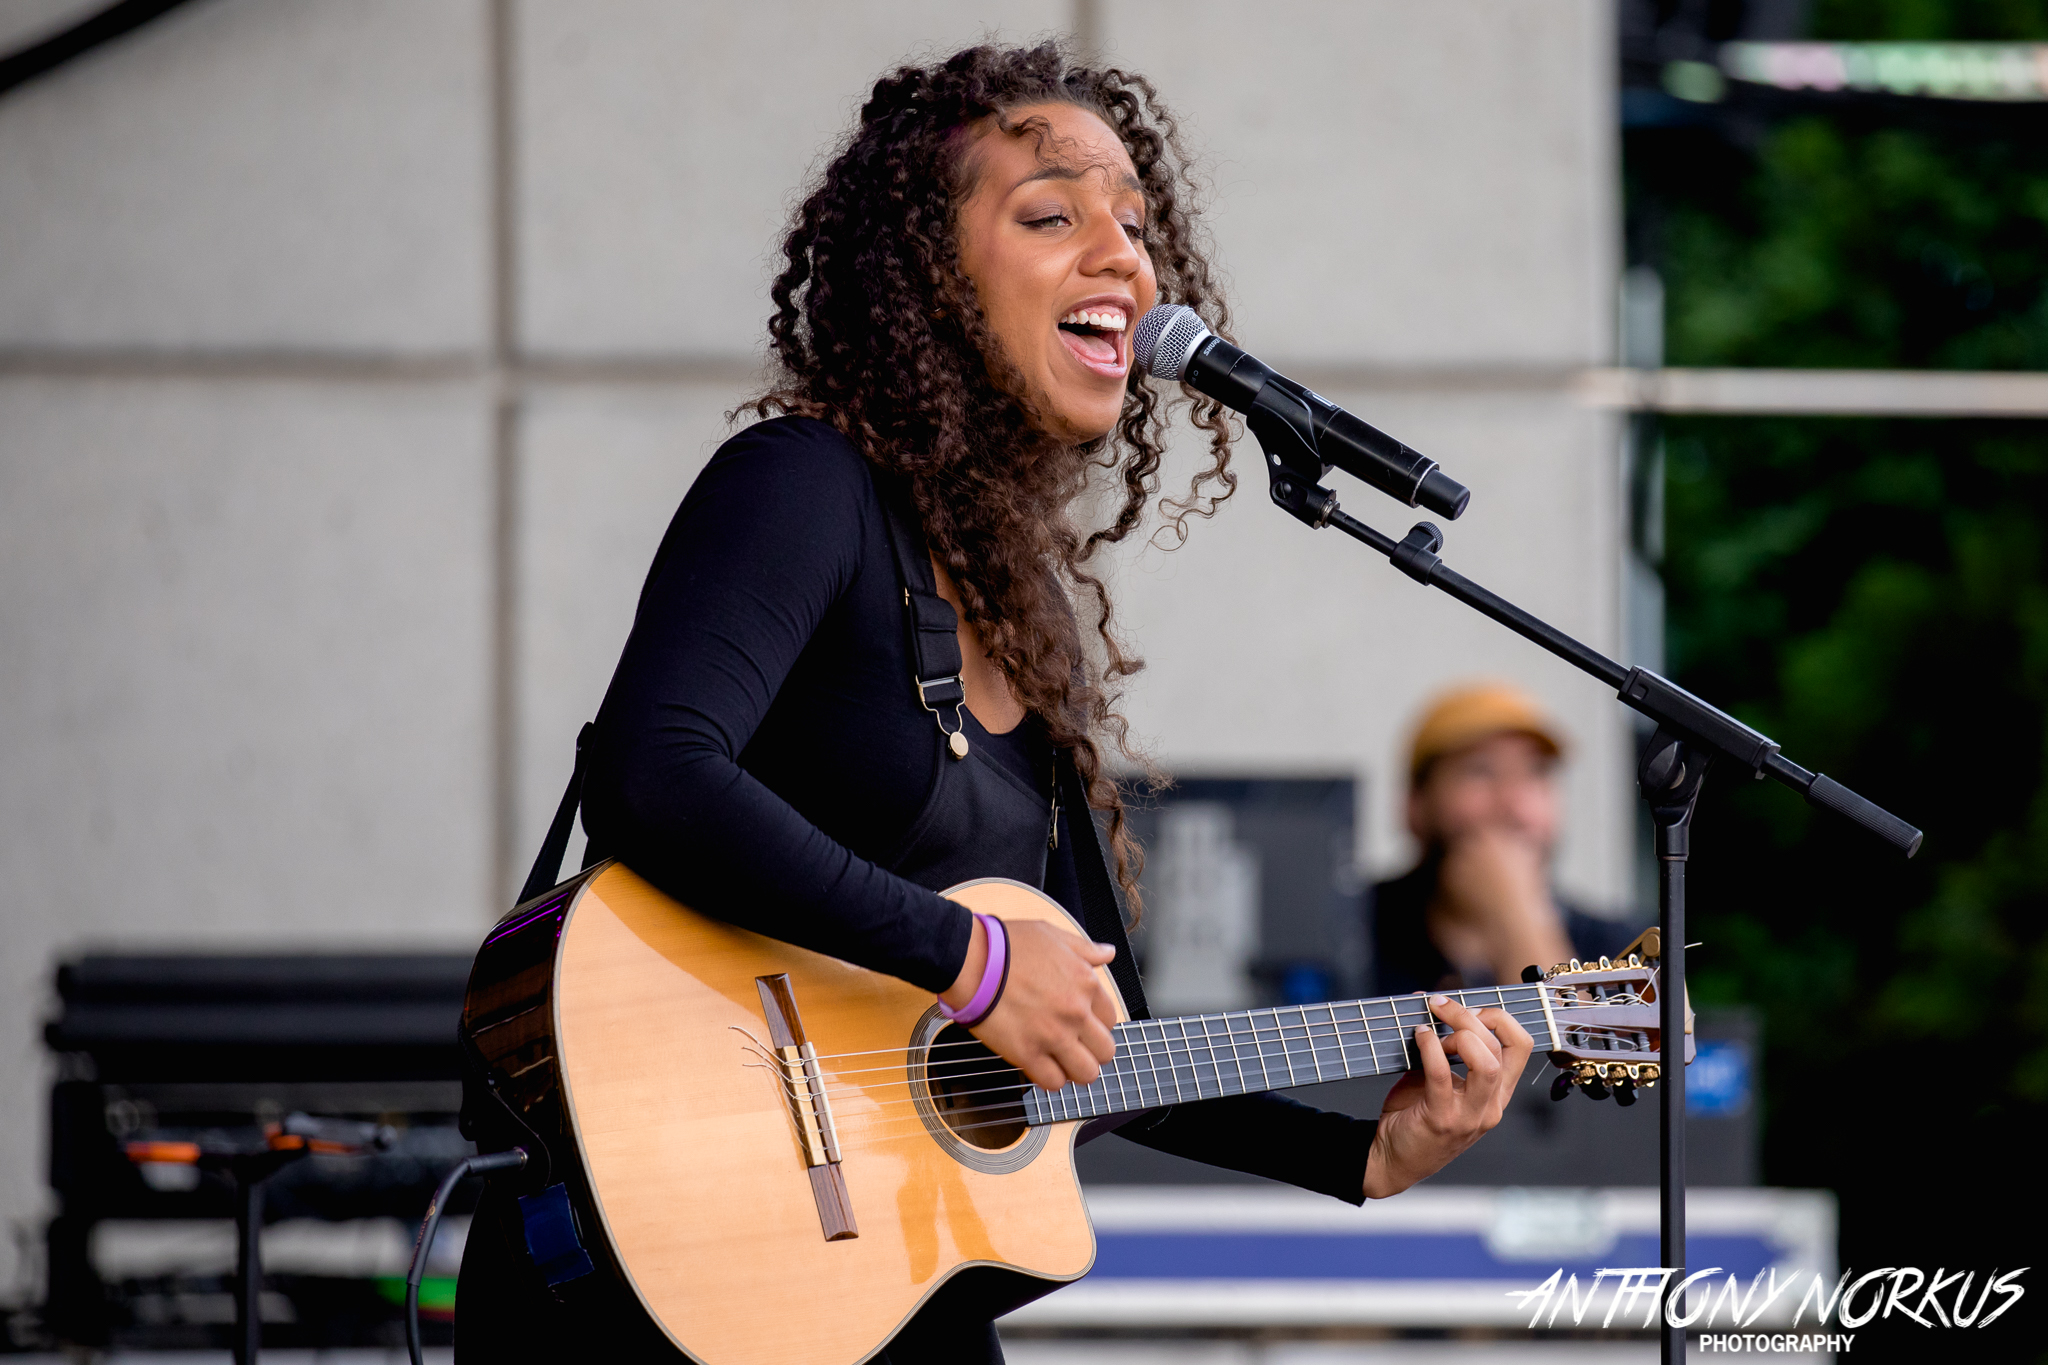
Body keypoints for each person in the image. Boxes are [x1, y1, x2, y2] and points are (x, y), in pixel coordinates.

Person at [457, 42, 1532, 1364]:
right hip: (656, 1277)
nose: (1123, 258)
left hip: (890, 1293)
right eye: (1051, 215)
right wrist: (967, 960)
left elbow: (1097, 1049)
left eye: (1138, 226)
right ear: (927, 278)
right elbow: (657, 768)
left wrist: (1368, 1153)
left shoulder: (1026, 615)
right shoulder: (806, 483)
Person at [1371, 683, 1640, 998]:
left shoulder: (1621, 948)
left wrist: (1517, 915)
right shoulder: (1346, 932)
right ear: (1414, 805)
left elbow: (1591, 1042)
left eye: (1535, 773)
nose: (1514, 805)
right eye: (1481, 771)